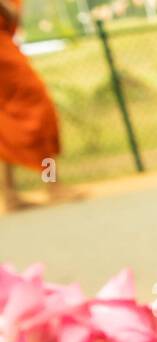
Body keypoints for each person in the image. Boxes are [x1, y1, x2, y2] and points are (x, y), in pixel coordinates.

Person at [0, 0, 68, 211]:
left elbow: (12, 17)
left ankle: (10, 193)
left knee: (7, 125)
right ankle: (52, 185)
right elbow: (11, 15)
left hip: (6, 53)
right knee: (41, 117)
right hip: (5, 60)